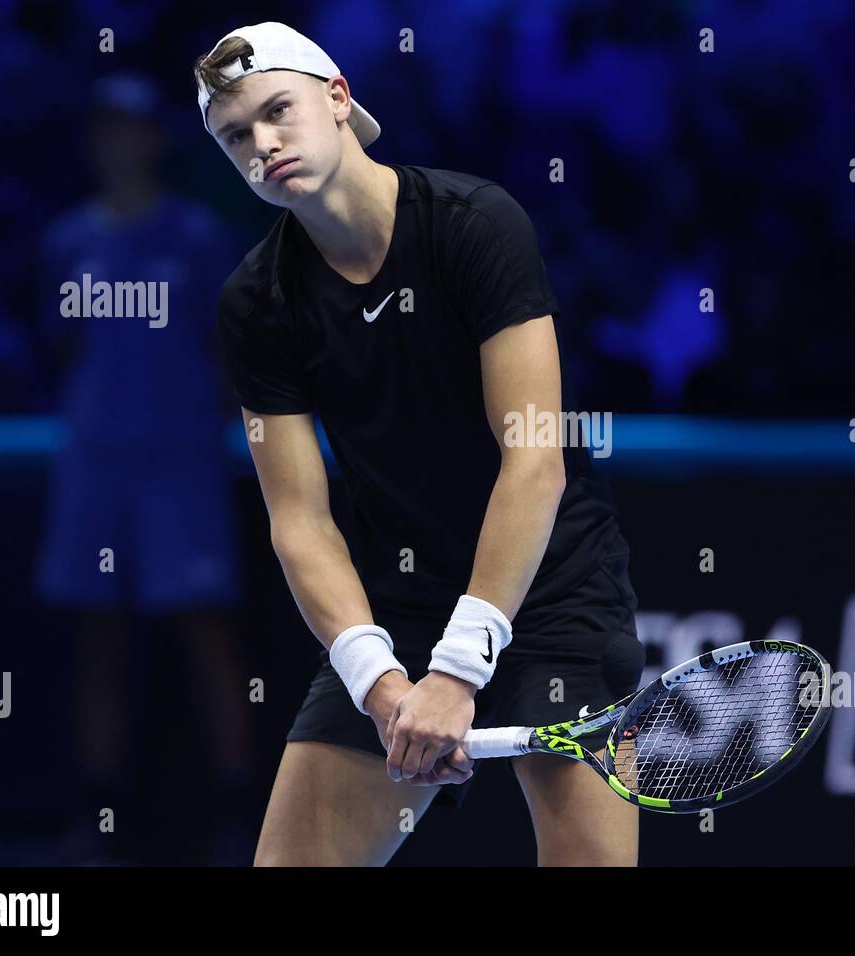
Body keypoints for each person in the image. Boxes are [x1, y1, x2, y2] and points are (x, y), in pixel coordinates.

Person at [193, 22, 645, 866]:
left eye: (276, 111)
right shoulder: (255, 302)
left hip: (551, 588)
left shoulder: (475, 224)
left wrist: (459, 668)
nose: (262, 144)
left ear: (337, 100)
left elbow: (534, 459)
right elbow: (299, 522)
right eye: (234, 137)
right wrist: (382, 680)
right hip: (396, 607)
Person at [35, 73, 253, 864]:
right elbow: (61, 348)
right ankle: (94, 819)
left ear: (154, 139)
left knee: (205, 630)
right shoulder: (67, 241)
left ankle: (235, 820)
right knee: (96, 635)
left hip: (182, 462)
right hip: (94, 462)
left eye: (129, 127)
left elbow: (230, 345)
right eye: (103, 128)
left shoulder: (197, 237)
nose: (114, 143)